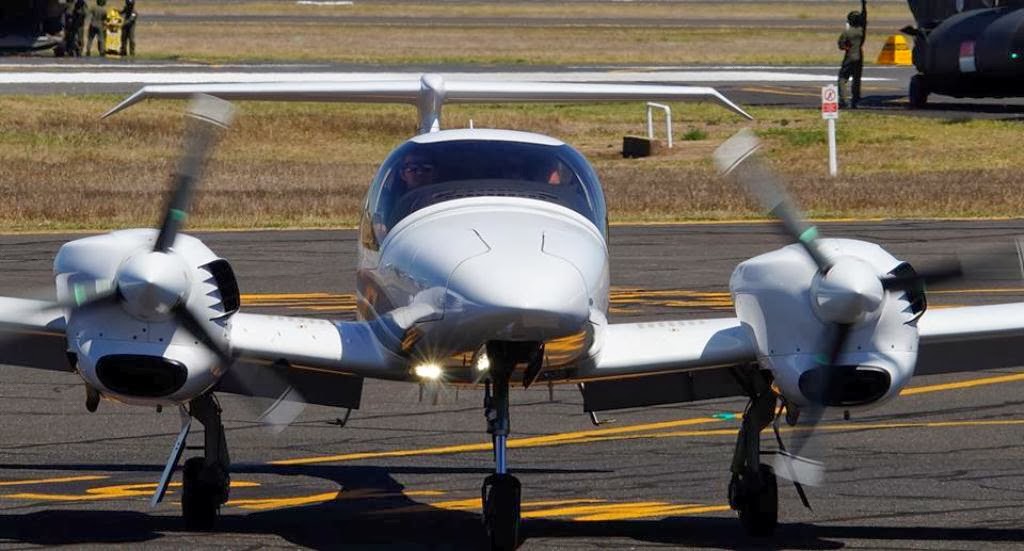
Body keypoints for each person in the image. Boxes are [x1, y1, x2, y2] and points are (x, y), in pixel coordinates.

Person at [837, 6, 867, 109]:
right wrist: (864, 6)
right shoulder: (861, 31)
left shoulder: (847, 32)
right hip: (859, 55)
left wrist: (847, 47)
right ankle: (855, 100)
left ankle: (844, 100)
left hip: (850, 55)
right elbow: (865, 19)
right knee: (857, 79)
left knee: (842, 78)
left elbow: (841, 45)